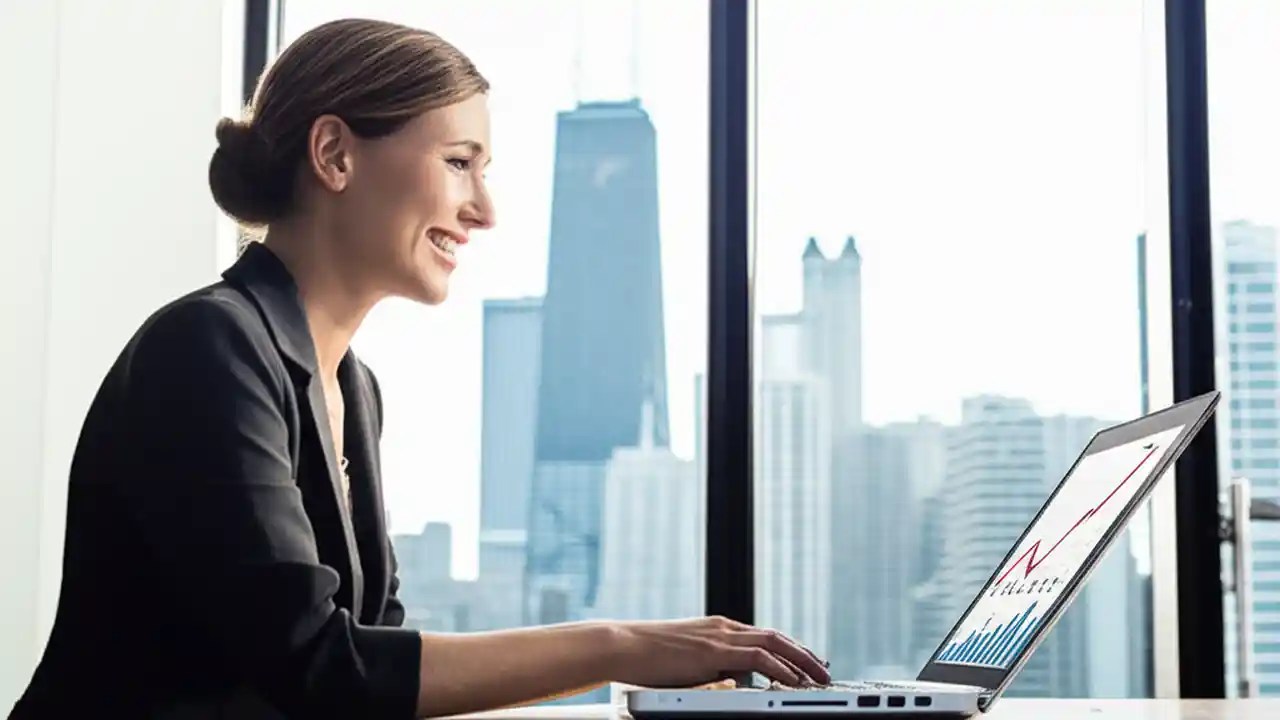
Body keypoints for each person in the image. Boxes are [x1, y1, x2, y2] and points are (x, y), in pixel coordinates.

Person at [10, 16, 829, 720]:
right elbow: (325, 673)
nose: (485, 209)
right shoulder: (208, 351)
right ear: (335, 154)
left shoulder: (351, 389)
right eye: (459, 162)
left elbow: (384, 665)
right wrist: (624, 646)